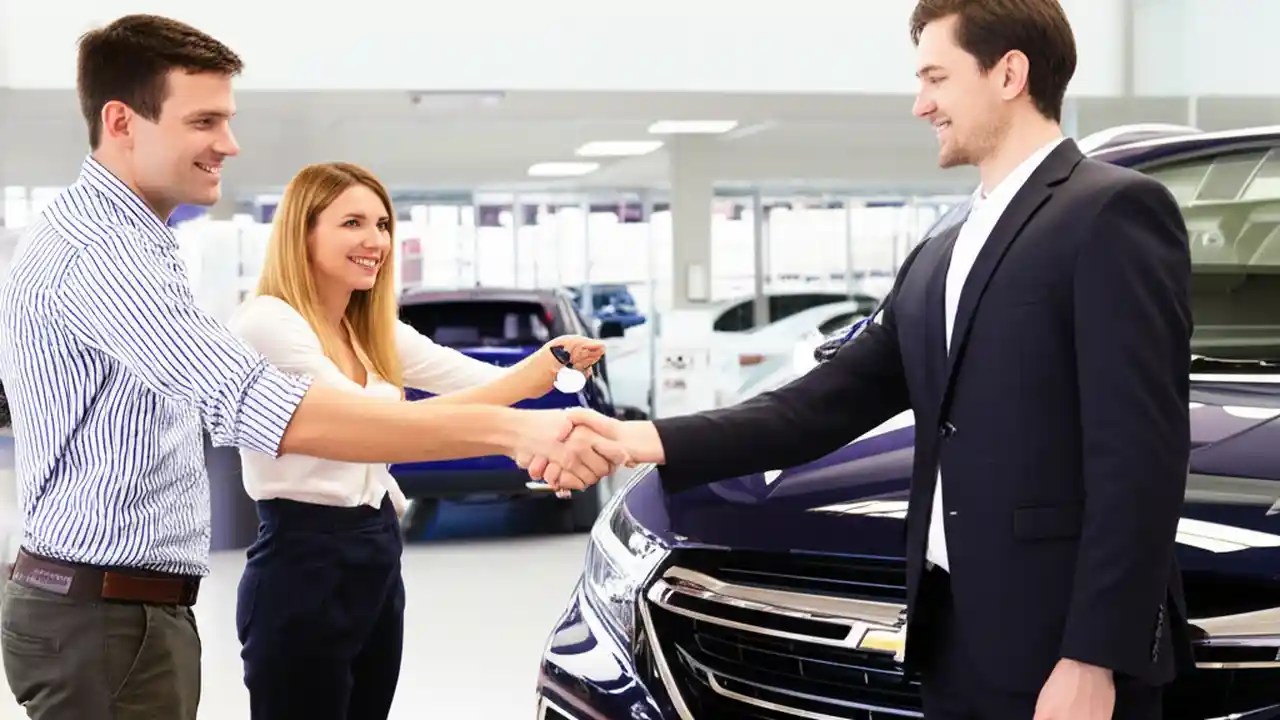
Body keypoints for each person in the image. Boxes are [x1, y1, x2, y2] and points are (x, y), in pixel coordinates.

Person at [537, 1, 1196, 718]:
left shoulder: (1113, 212)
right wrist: (637, 439)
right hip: (957, 639)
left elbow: (1140, 458)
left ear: (1009, 73)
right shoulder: (942, 250)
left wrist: (1093, 657)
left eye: (936, 78)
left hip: (1059, 649)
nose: (921, 105)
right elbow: (820, 404)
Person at [0, 14, 623, 720]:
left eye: (228, 120)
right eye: (204, 121)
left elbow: (447, 376)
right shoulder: (106, 253)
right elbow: (267, 409)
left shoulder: (136, 245)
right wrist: (511, 435)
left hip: (129, 609)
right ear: (122, 121)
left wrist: (539, 390)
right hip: (106, 618)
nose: (229, 144)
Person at [225, 161, 605, 720]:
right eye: (352, 222)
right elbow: (373, 429)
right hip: (303, 557)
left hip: (376, 546)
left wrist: (549, 371)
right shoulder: (268, 324)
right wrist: (518, 427)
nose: (374, 240)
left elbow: (474, 379)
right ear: (302, 232)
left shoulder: (366, 327)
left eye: (382, 224)